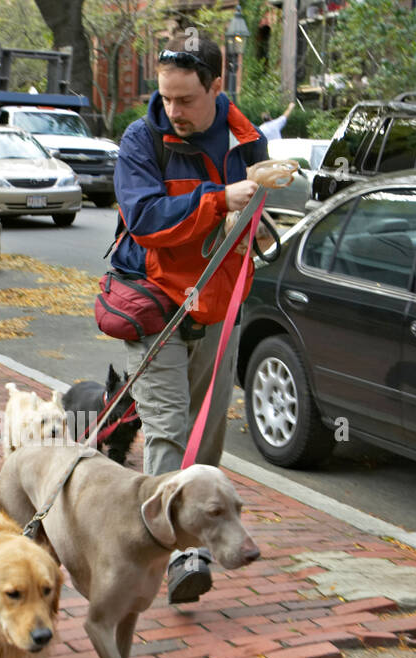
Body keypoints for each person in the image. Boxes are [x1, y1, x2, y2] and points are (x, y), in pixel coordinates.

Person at [111, 36, 266, 603]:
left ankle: (187, 540)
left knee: (207, 432)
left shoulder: (248, 139)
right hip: (157, 307)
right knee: (172, 431)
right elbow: (148, 220)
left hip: (220, 310)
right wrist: (220, 201)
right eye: (165, 96)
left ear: (217, 88)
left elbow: (247, 223)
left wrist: (260, 196)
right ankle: (174, 557)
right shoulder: (141, 140)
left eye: (186, 99)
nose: (173, 111)